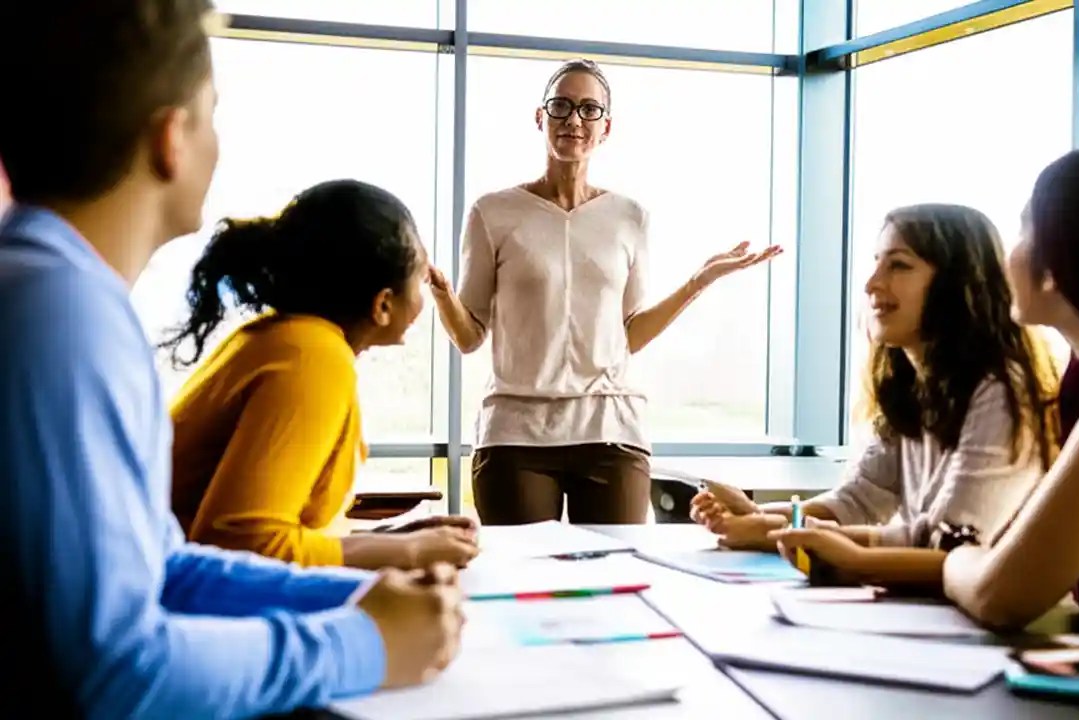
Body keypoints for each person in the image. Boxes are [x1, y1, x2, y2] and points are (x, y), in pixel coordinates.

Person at [0, 3, 462, 717]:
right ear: (171, 139)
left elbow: (165, 565)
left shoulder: (61, 293)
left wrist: (355, 597)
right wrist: (360, 645)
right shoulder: (64, 317)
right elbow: (114, 670)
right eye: (212, 114)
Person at [772, 147, 1079, 663]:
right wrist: (878, 555)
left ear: (1058, 262)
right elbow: (995, 570)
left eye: (1023, 233)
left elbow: (1002, 592)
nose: (1009, 257)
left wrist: (884, 559)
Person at [427, 58, 782, 525]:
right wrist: (443, 293)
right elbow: (470, 336)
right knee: (525, 587)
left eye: (589, 109)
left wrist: (699, 281)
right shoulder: (492, 212)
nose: (574, 119)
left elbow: (629, 334)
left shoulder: (629, 216)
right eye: (561, 106)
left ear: (606, 127)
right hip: (516, 435)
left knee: (622, 575)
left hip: (611, 430)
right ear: (541, 117)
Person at [692, 204, 1059, 588]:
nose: (871, 284)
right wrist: (757, 515)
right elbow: (858, 502)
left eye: (898, 266)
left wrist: (775, 532)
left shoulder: (1000, 392)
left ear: (957, 281)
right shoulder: (913, 389)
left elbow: (948, 539)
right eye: (877, 263)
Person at [164, 179, 479, 571]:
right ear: (383, 304)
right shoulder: (311, 357)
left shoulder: (281, 339)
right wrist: (406, 554)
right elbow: (239, 550)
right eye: (419, 279)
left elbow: (268, 530)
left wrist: (390, 540)